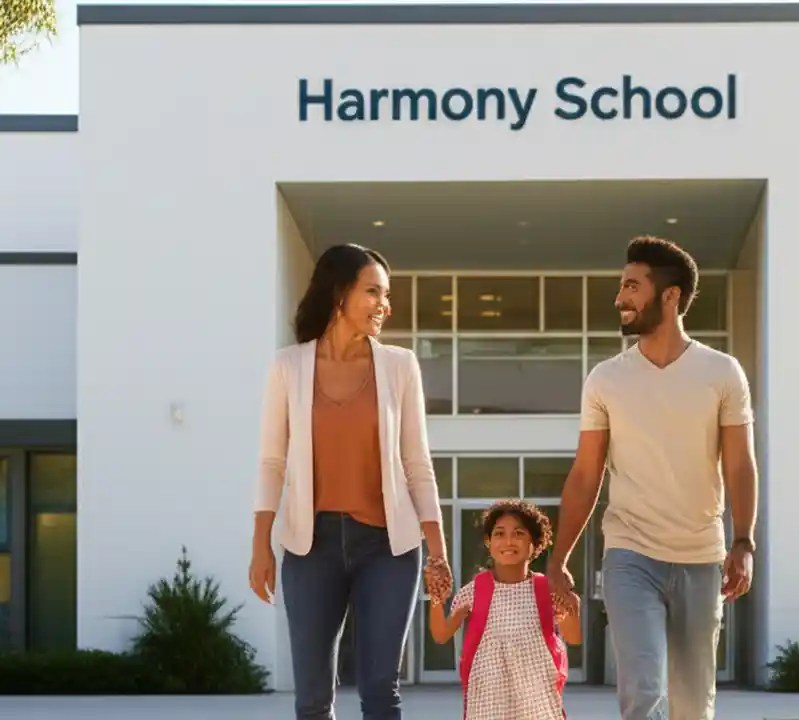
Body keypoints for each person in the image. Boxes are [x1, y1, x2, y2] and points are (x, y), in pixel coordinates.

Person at [547, 235, 759, 720]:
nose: (620, 298)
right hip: (629, 553)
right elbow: (585, 474)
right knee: (643, 694)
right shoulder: (605, 378)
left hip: (701, 556)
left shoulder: (721, 372)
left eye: (631, 287)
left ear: (670, 296)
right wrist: (559, 557)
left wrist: (743, 542)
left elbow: (740, 463)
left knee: (691, 703)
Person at [248, 243, 454, 720]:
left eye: (386, 293)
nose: (385, 304)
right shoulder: (288, 366)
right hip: (309, 546)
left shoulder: (400, 366)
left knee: (381, 688)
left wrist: (438, 551)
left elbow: (416, 463)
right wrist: (261, 545)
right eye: (373, 292)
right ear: (340, 293)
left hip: (388, 547)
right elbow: (271, 463)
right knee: (314, 697)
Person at [429, 499, 582, 720]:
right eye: (499, 534)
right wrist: (436, 599)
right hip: (488, 698)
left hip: (537, 697)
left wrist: (571, 607)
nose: (508, 541)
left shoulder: (545, 590)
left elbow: (573, 637)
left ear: (535, 544)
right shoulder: (475, 591)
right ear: (488, 542)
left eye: (519, 534)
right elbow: (441, 635)